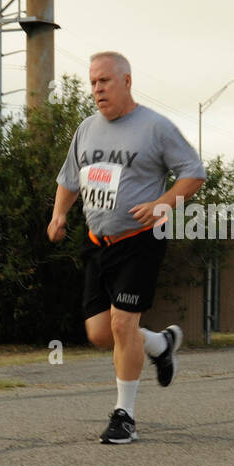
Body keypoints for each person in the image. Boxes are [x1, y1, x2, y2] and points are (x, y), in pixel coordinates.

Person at [48, 51, 206, 444]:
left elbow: (193, 172)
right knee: (102, 334)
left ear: (126, 81)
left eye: (104, 81)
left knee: (122, 324)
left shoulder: (154, 127)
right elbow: (70, 179)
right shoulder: (86, 129)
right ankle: (160, 344)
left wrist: (162, 204)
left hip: (140, 240)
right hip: (98, 243)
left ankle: (125, 416)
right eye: (93, 83)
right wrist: (59, 215)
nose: (97, 89)